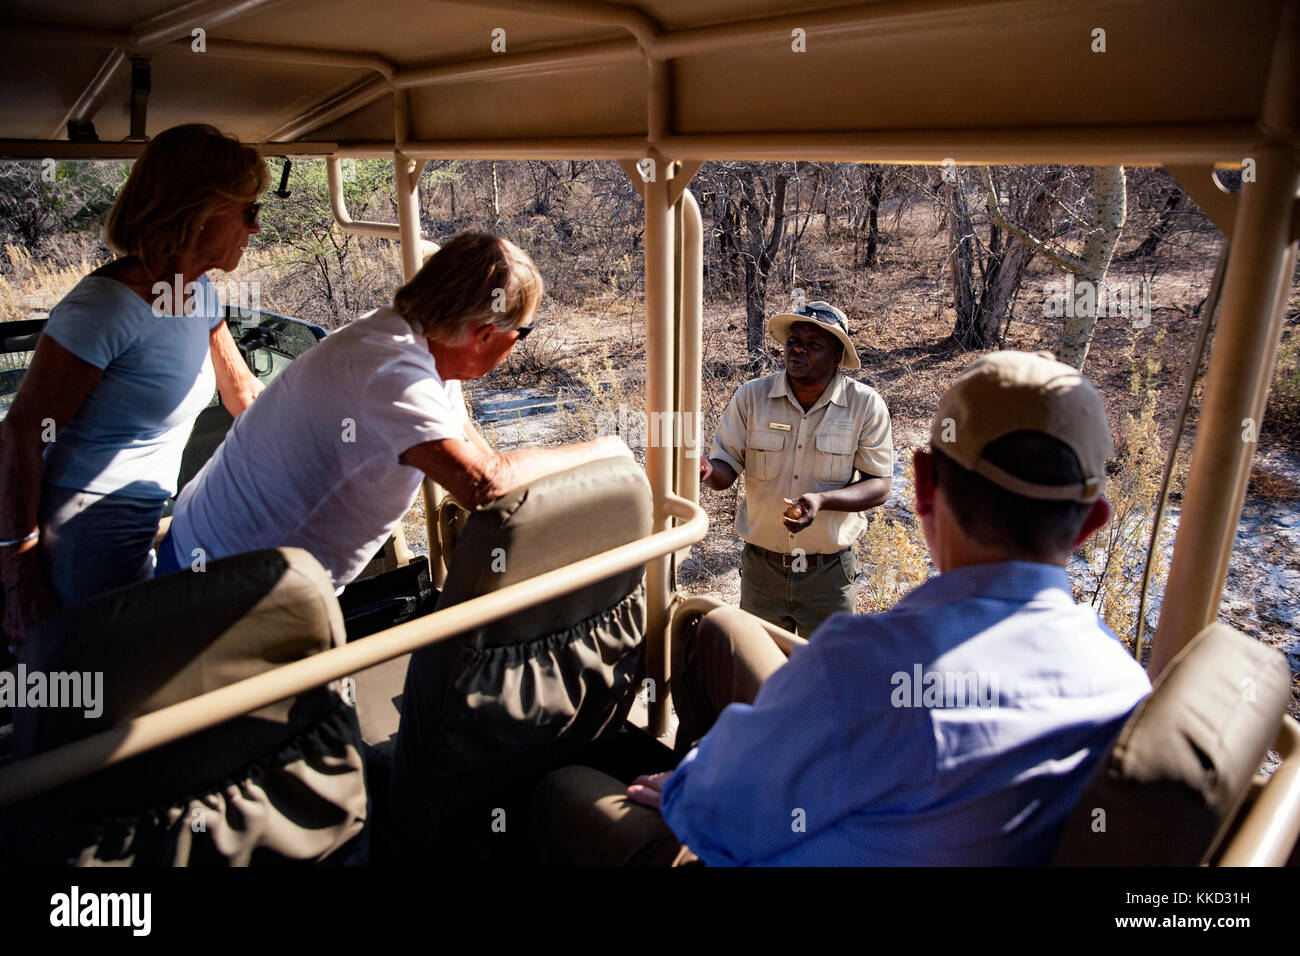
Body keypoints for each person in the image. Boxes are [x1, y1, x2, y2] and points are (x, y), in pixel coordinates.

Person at [534, 350, 1153, 866]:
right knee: (720, 626)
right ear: (1092, 523)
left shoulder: (868, 665)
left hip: (748, 822)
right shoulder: (1125, 683)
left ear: (926, 484)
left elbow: (718, 817)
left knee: (564, 789)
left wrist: (693, 781)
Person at [158, 231, 630, 591]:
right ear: (484, 333)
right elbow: (482, 482)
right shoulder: (392, 369)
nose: (520, 343)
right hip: (223, 583)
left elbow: (479, 453)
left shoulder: (417, 342)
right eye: (522, 333)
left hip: (233, 561)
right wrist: (609, 450)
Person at [0, 124, 267, 645]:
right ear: (200, 209)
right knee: (100, 702)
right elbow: (21, 435)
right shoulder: (105, 307)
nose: (254, 229)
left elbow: (244, 396)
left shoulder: (200, 294)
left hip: (147, 520)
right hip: (83, 536)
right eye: (249, 211)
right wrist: (18, 578)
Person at [699, 300, 892, 637]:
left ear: (836, 356)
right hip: (762, 571)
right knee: (760, 673)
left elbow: (880, 484)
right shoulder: (752, 397)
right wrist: (707, 470)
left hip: (828, 575)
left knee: (828, 677)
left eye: (813, 345)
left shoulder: (864, 405)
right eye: (793, 342)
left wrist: (822, 501)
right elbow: (726, 468)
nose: (798, 351)